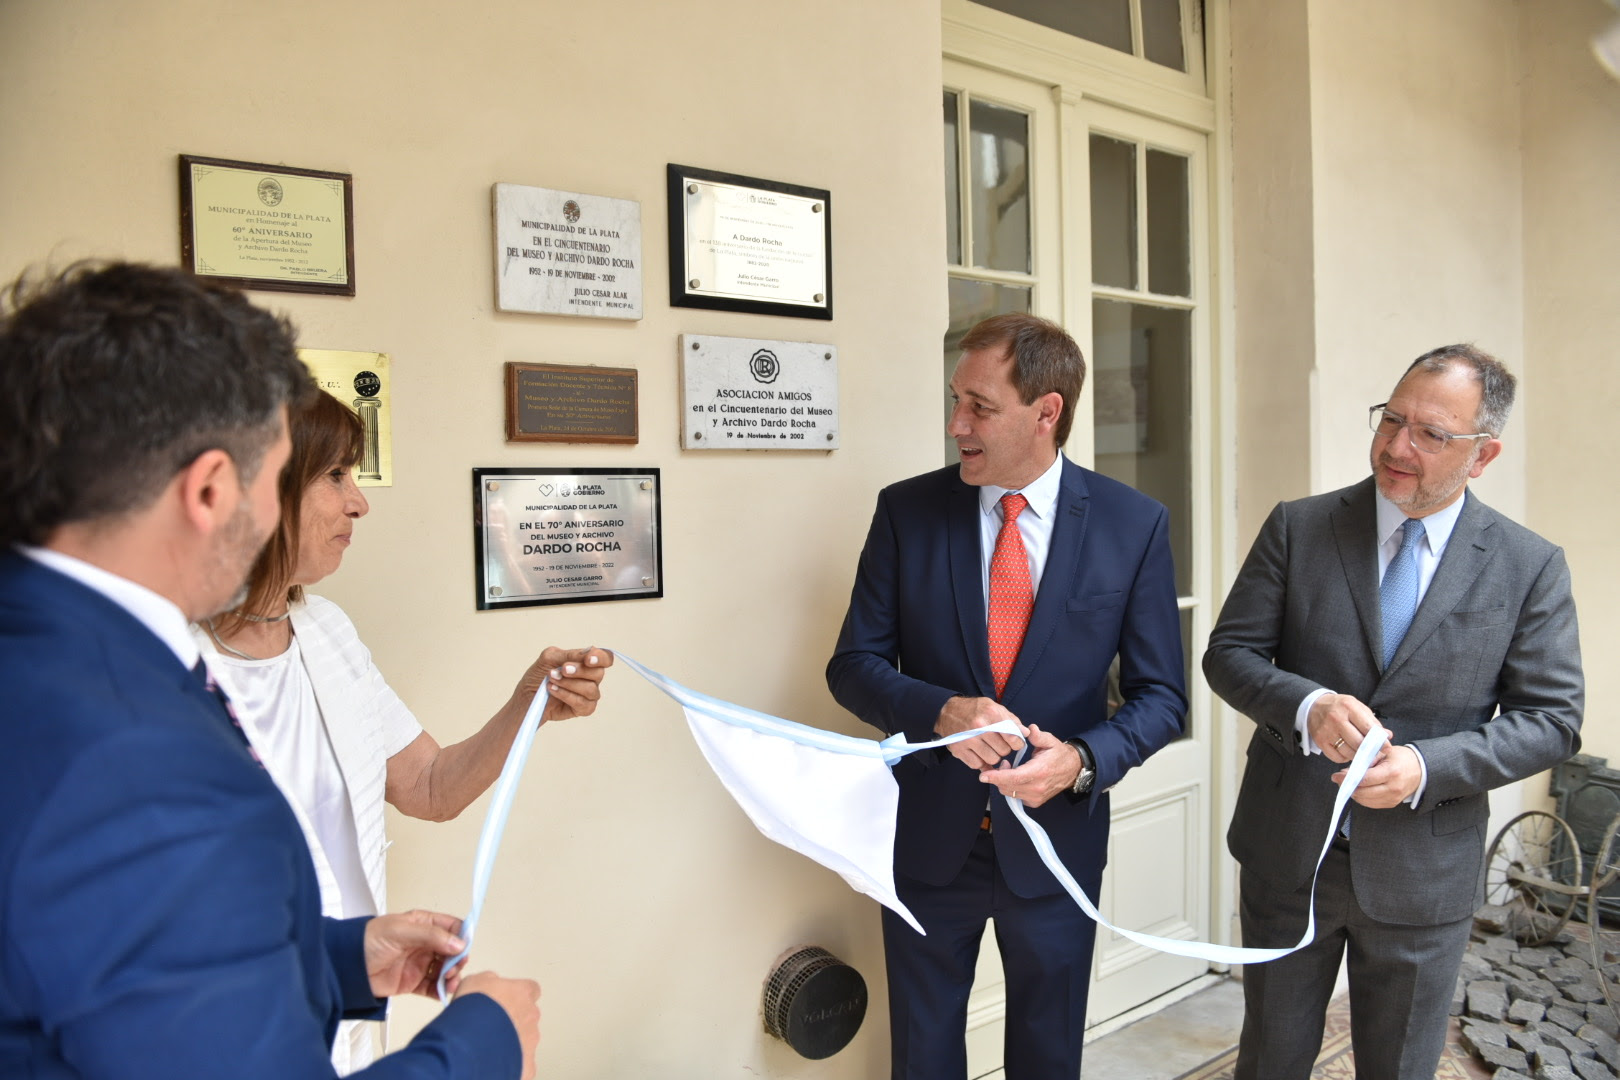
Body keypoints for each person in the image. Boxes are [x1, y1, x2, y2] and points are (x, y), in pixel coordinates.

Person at [0, 262, 541, 1080]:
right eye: (287, 472)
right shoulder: (143, 769)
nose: (355, 503)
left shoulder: (50, 653)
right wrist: (484, 1043)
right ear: (214, 489)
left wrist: (340, 959)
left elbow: (125, 979)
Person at [192, 388, 611, 1071]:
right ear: (261, 490)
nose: (359, 502)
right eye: (335, 476)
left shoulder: (326, 631)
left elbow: (428, 786)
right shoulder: (169, 671)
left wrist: (528, 705)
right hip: (239, 1030)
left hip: (350, 1003)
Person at [1204, 344, 1584, 1080]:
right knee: (1269, 1061)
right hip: (1291, 857)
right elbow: (1230, 654)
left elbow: (1551, 718)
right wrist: (1306, 704)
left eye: (1431, 435)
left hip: (1424, 871)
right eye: (1392, 419)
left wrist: (1423, 767)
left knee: (1400, 1067)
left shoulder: (1528, 565)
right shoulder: (1299, 526)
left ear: (1483, 455)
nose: (1397, 446)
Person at [825, 312, 1187, 1079]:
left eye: (979, 407)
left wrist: (1084, 761)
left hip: (1057, 841)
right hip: (926, 841)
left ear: (1046, 411)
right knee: (921, 1058)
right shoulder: (906, 513)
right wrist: (940, 711)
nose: (958, 424)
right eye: (956, 401)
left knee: (1048, 1058)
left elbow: (1161, 698)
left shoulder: (1134, 525)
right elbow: (852, 665)